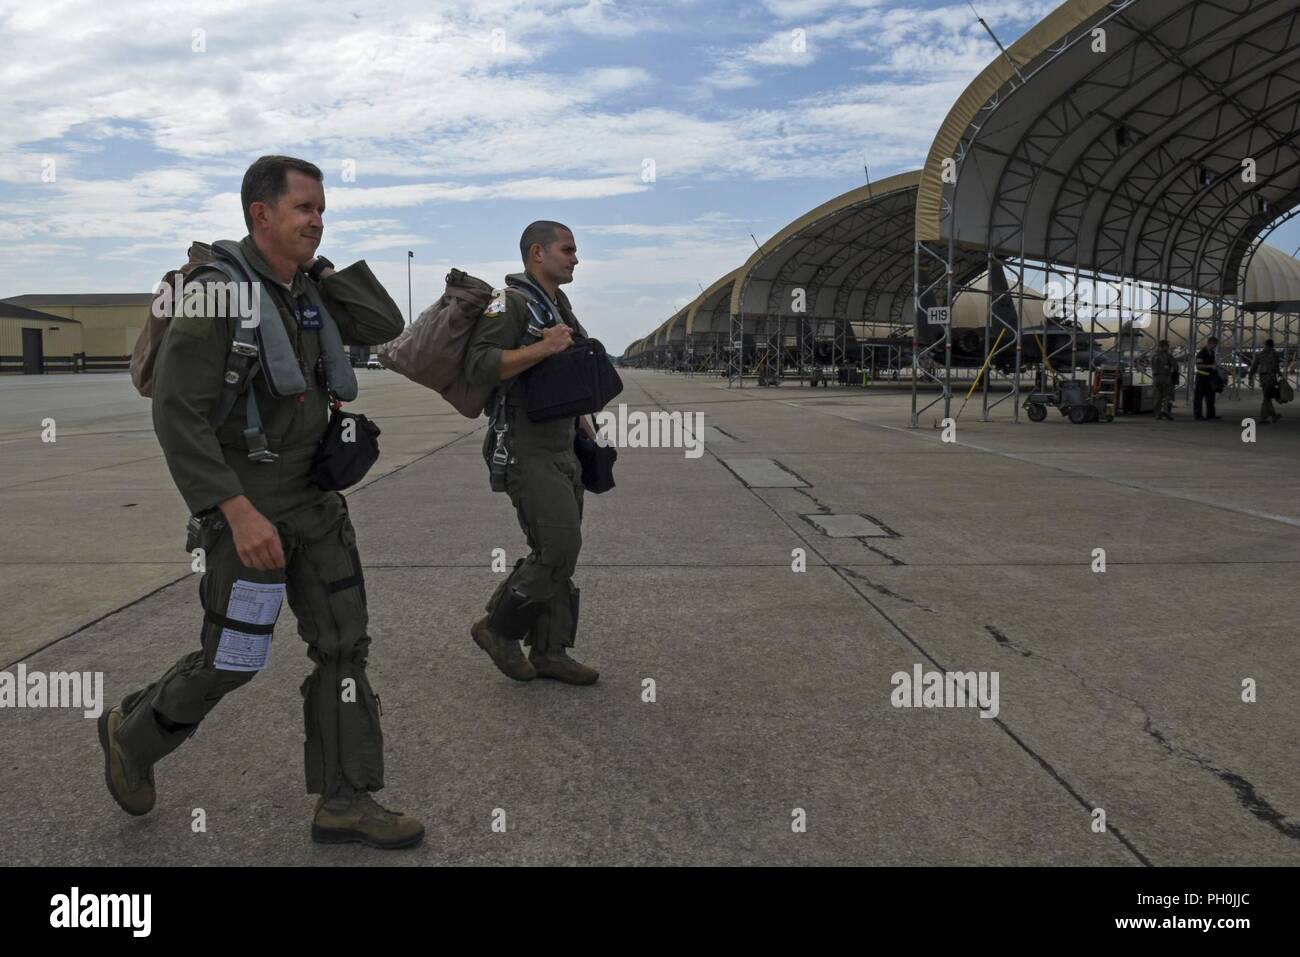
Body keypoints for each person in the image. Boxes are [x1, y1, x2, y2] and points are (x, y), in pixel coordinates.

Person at [98, 156, 423, 849]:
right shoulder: (217, 296)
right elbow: (177, 417)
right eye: (304, 208)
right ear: (260, 214)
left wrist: (324, 271)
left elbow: (385, 322)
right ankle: (131, 732)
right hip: (245, 509)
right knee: (233, 658)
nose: (318, 220)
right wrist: (235, 511)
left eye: (322, 209)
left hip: (315, 503)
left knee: (343, 648)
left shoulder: (307, 290)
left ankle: (345, 798)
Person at [463, 221, 601, 685]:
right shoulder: (510, 304)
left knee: (558, 552)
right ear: (537, 253)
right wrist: (543, 347)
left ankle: (550, 651)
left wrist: (584, 419)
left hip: (562, 444)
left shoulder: (556, 303)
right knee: (560, 547)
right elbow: (481, 364)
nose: (576, 258)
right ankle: (498, 629)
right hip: (525, 445)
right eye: (568, 249)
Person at [1249, 338, 1282, 424]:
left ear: (1265, 345)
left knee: (1268, 396)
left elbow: (1254, 366)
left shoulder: (1260, 353)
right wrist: (1279, 373)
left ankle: (1274, 415)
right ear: (1272, 345)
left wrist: (1250, 376)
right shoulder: (1274, 353)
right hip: (1270, 378)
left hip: (1262, 378)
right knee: (1267, 398)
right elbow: (1276, 365)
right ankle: (1263, 418)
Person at [1194, 335, 1220, 420]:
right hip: (1201, 377)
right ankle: (1198, 415)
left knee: (1210, 396)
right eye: (1215, 344)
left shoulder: (1211, 352)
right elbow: (1199, 366)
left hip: (1209, 377)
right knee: (1199, 396)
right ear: (1210, 343)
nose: (1215, 346)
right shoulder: (1201, 353)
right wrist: (1210, 366)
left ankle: (1211, 414)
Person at [1151, 339, 1177, 420]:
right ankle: (1166, 411)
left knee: (1158, 397)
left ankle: (1157, 414)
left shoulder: (1153, 355)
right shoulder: (1168, 355)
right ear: (1165, 346)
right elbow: (1175, 367)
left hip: (1156, 378)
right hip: (1165, 377)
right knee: (1169, 395)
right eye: (1167, 346)